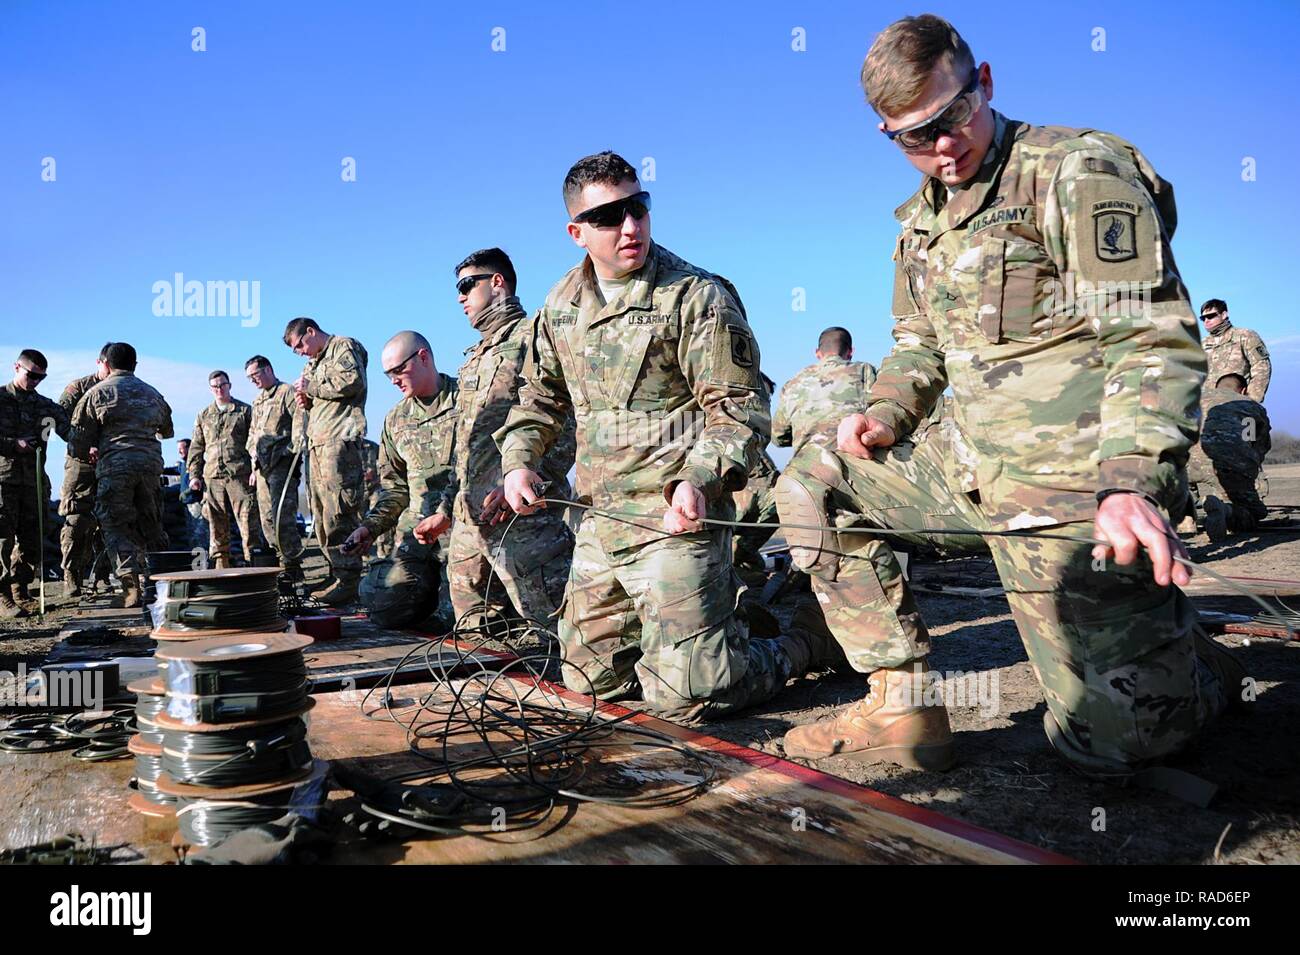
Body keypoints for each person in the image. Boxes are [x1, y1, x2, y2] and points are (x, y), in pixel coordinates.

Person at [774, 15, 1240, 790]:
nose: (943, 146)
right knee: (813, 476)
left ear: (984, 82)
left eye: (954, 116)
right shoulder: (918, 226)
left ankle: (1193, 668)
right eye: (913, 136)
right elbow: (919, 347)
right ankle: (901, 701)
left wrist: (1130, 480)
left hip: (1075, 487)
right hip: (967, 469)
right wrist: (883, 412)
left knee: (1110, 743)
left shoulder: (1074, 173)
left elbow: (1151, 337)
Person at [497, 151, 829, 723]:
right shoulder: (558, 307)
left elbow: (740, 408)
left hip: (678, 520)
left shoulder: (696, 295)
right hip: (602, 523)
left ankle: (804, 643)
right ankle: (723, 623)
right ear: (576, 232)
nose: (631, 226)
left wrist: (699, 479)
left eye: (639, 207)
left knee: (692, 695)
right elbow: (539, 399)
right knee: (590, 682)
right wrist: (519, 460)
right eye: (610, 216)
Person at [448, 247, 576, 630]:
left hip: (521, 512)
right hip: (472, 514)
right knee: (476, 629)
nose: (460, 297)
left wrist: (527, 480)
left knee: (557, 626)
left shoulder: (534, 335)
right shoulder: (475, 355)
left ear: (497, 283)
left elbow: (564, 418)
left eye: (467, 285)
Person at [345, 332, 458, 628]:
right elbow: (395, 488)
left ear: (423, 357)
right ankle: (428, 590)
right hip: (418, 536)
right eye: (388, 374)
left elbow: (484, 473)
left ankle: (455, 593)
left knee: (464, 619)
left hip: (463, 532)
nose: (393, 380)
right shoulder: (396, 419)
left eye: (398, 370)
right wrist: (369, 528)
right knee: (379, 599)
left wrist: (448, 515)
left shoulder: (467, 402)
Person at [69, 342, 173, 608]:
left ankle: (130, 589)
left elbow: (77, 440)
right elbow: (167, 429)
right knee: (151, 524)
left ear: (107, 364)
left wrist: (93, 449)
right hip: (150, 467)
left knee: (115, 524)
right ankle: (165, 584)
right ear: (135, 365)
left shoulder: (96, 393)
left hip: (116, 468)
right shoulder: (153, 393)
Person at [284, 317, 368, 606]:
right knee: (321, 513)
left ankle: (350, 577)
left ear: (311, 331)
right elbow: (316, 392)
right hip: (318, 443)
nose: (301, 352)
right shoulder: (314, 362)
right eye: (295, 351)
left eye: (300, 344)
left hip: (339, 441)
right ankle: (337, 570)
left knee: (339, 510)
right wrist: (305, 399)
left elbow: (352, 380)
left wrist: (312, 387)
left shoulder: (342, 346)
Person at [0, 349, 72, 617]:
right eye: (31, 376)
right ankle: (2, 595)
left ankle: (21, 590)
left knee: (32, 540)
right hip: (3, 482)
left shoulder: (45, 406)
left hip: (33, 482)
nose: (34, 382)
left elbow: (69, 430)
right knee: (2, 540)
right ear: (16, 367)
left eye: (40, 378)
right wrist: (12, 444)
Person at [187, 370, 259, 568]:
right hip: (213, 477)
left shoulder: (245, 411)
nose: (219, 389)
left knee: (247, 521)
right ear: (211, 389)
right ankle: (221, 562)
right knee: (216, 522)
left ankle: (253, 561)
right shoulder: (204, 415)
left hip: (239, 475)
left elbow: (255, 443)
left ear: (229, 385)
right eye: (215, 386)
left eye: (222, 385)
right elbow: (196, 447)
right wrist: (194, 475)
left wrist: (255, 470)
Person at [1189, 373, 1271, 541]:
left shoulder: (1193, 399)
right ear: (1244, 390)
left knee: (1181, 484)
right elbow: (1258, 446)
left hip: (1185, 464)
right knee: (1254, 514)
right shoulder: (1250, 405)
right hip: (1229, 466)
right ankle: (1226, 511)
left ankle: (1185, 514)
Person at [773, 327, 878, 457]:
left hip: (805, 469)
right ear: (851, 352)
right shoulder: (865, 371)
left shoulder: (793, 382)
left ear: (817, 353)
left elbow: (778, 436)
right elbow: (882, 412)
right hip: (854, 465)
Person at [56, 344, 110, 596]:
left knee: (110, 518)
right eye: (106, 364)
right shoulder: (78, 388)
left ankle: (103, 576)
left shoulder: (120, 388)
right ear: (98, 362)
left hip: (110, 462)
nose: (110, 369)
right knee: (77, 518)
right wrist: (84, 445)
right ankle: (72, 576)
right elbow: (60, 420)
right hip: (81, 463)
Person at [244, 355, 303, 575]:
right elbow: (253, 433)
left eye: (255, 375)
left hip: (282, 464)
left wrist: (290, 452)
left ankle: (292, 566)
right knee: (267, 517)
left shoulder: (287, 392)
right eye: (249, 378)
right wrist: (253, 462)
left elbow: (299, 424)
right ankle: (278, 563)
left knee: (283, 517)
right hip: (262, 467)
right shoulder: (258, 401)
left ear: (267, 369)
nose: (253, 381)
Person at [1199, 299, 1271, 403]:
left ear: (1224, 315)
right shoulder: (1202, 344)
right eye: (1203, 318)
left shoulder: (1245, 336)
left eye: (1211, 316)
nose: (1206, 320)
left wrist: (1251, 400)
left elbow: (1262, 367)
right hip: (1209, 407)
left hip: (1236, 403)